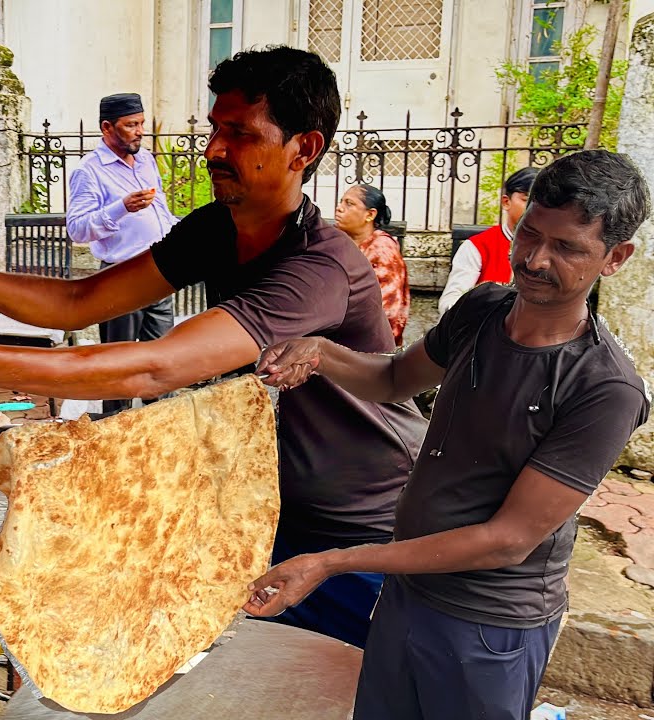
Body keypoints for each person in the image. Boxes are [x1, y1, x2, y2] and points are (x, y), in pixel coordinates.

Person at [0, 46, 427, 648]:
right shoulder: (215, 230)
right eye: (213, 129)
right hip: (262, 506)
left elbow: (155, 369)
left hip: (360, 528)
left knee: (349, 688)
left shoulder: (319, 267)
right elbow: (76, 303)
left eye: (240, 134)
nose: (214, 150)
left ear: (305, 148)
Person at [246, 150, 650, 720]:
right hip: (409, 594)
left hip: (489, 627)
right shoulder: (485, 310)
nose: (535, 259)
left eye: (567, 248)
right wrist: (322, 352)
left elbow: (507, 539)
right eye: (529, 234)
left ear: (616, 258)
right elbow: (391, 379)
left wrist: (331, 562)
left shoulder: (604, 389)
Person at [67, 93, 177, 413]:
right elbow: (77, 229)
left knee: (163, 357)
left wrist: (179, 232)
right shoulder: (89, 171)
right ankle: (116, 427)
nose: (140, 131)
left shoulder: (146, 160)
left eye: (141, 123)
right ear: (107, 128)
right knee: (120, 362)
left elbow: (162, 212)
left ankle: (163, 424)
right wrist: (120, 208)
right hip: (120, 276)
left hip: (158, 270)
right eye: (131, 125)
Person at [439, 166, 539, 314]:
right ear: (506, 202)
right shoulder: (478, 247)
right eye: (527, 200)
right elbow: (450, 303)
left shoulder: (555, 249)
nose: (535, 208)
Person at [334, 184, 409, 347]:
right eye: (341, 202)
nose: (339, 208)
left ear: (370, 214)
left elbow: (388, 310)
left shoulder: (382, 249)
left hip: (370, 348)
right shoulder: (338, 241)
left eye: (349, 203)